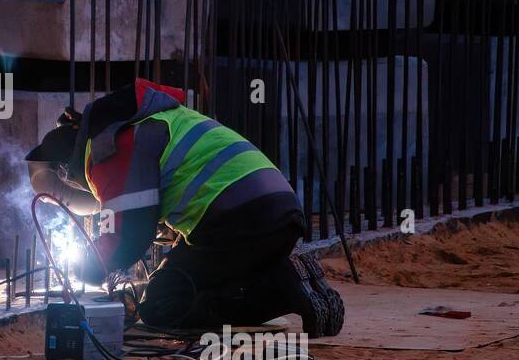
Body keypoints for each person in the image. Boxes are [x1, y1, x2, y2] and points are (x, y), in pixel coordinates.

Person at [25, 79, 344, 337]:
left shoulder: (110, 153)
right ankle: (296, 276)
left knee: (163, 302)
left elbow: (129, 238)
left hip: (240, 220)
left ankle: (285, 286)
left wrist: (87, 270)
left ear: (66, 171)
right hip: (275, 212)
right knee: (195, 278)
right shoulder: (148, 122)